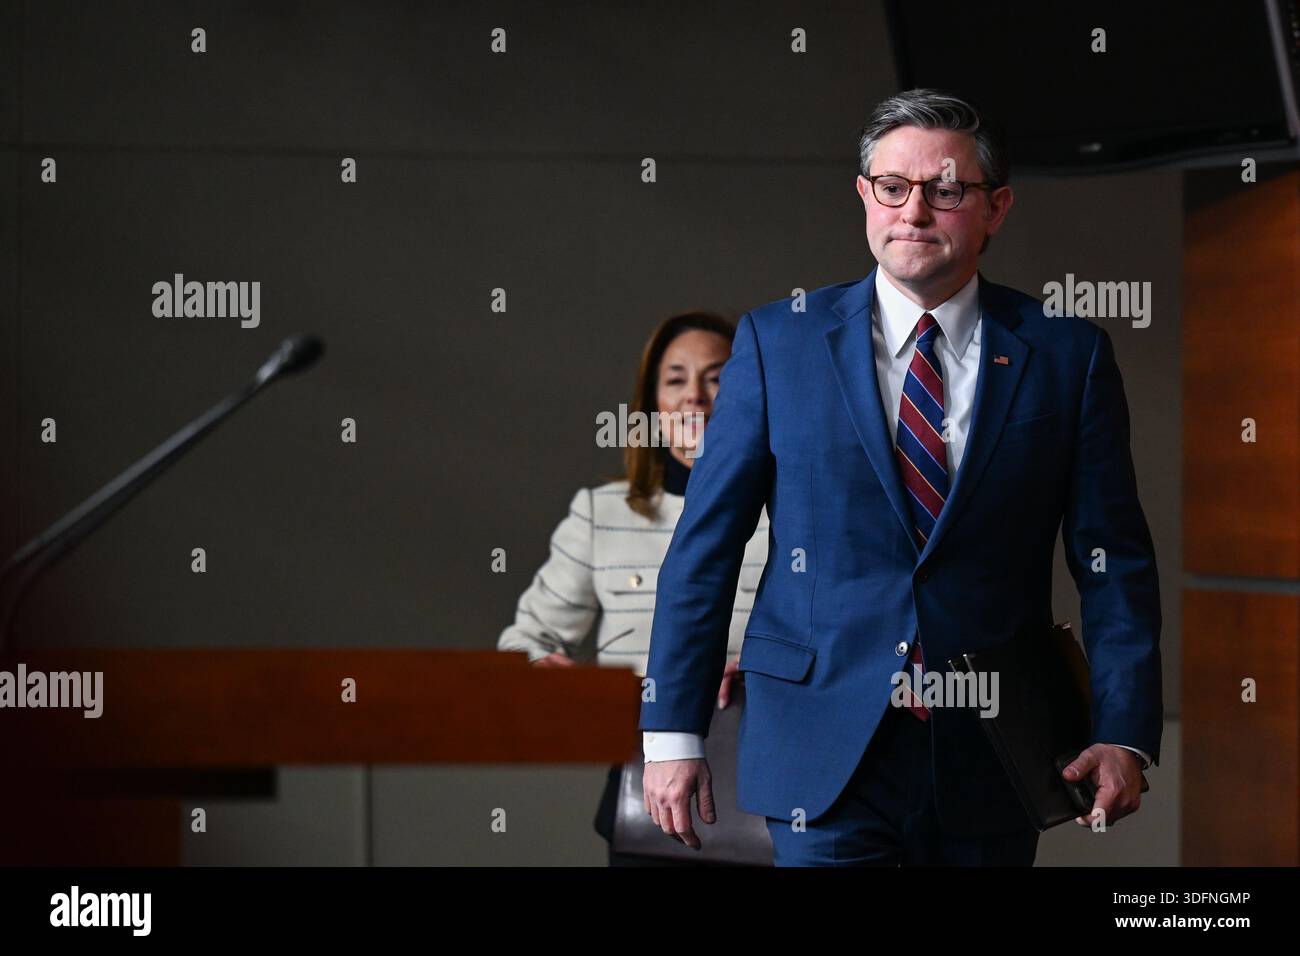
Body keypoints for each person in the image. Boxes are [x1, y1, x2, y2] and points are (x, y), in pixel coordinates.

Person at [638, 89, 1162, 866]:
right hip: (820, 748)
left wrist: (1123, 730)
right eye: (893, 187)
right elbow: (703, 550)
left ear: (996, 208)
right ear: (865, 196)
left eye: (946, 191)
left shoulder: (1066, 356)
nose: (914, 211)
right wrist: (671, 734)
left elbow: (1113, 563)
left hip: (994, 748)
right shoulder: (777, 342)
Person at [496, 311, 769, 866]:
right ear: (650, 404)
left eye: (717, 377)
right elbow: (523, 644)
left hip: (774, 789)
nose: (695, 396)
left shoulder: (793, 511)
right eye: (675, 379)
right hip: (647, 799)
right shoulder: (600, 513)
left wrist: (760, 663)